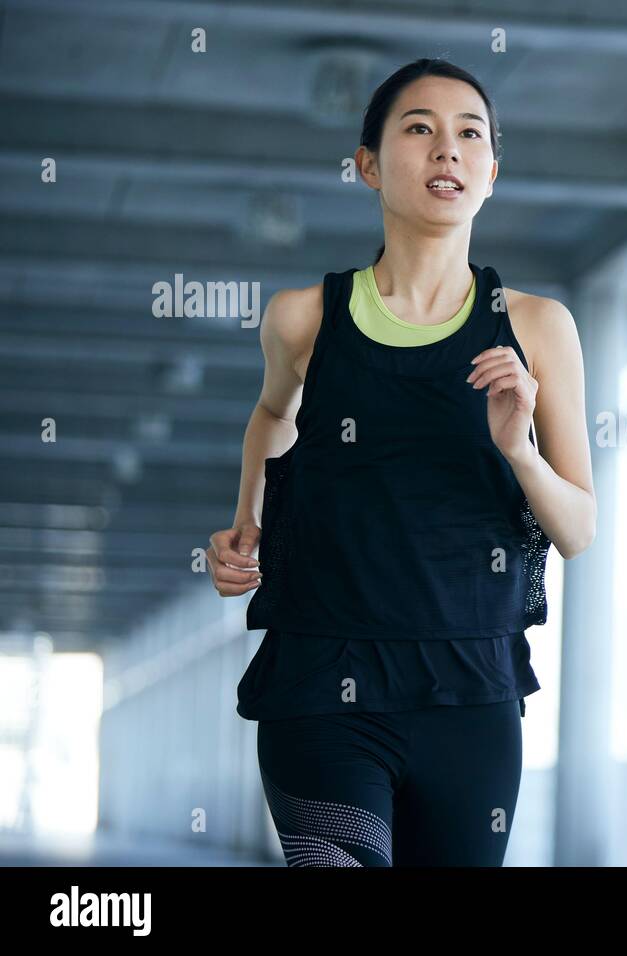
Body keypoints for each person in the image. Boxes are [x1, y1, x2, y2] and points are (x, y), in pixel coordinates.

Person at [204, 57, 595, 867]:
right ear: (370, 167)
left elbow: (579, 528)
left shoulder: (537, 328)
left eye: (469, 135)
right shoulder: (303, 318)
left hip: (471, 691)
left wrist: (519, 449)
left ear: (492, 172)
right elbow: (275, 413)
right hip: (321, 683)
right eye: (419, 129)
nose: (446, 151)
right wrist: (249, 522)